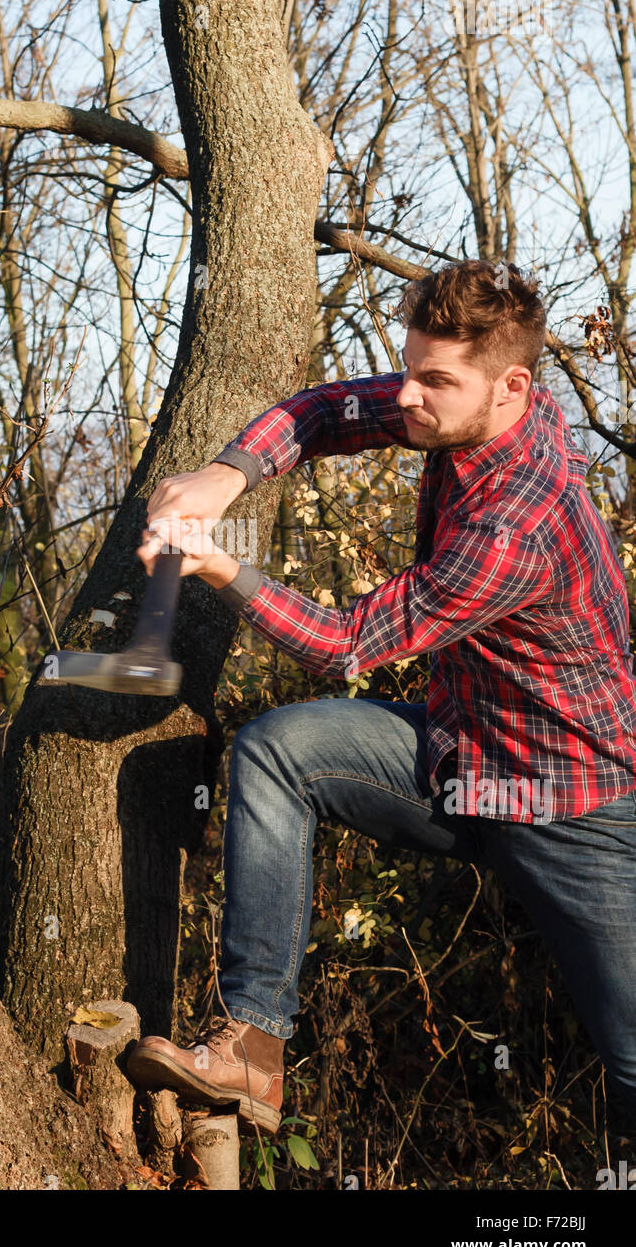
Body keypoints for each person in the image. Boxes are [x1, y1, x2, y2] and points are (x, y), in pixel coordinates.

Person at [125, 259, 636, 1138]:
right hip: (463, 754)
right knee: (279, 751)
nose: (406, 395)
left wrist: (218, 565)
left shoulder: (512, 528)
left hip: (571, 806)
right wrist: (224, 476)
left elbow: (346, 644)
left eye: (434, 380)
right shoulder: (470, 414)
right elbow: (325, 410)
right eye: (408, 367)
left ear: (511, 387)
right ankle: (251, 1045)